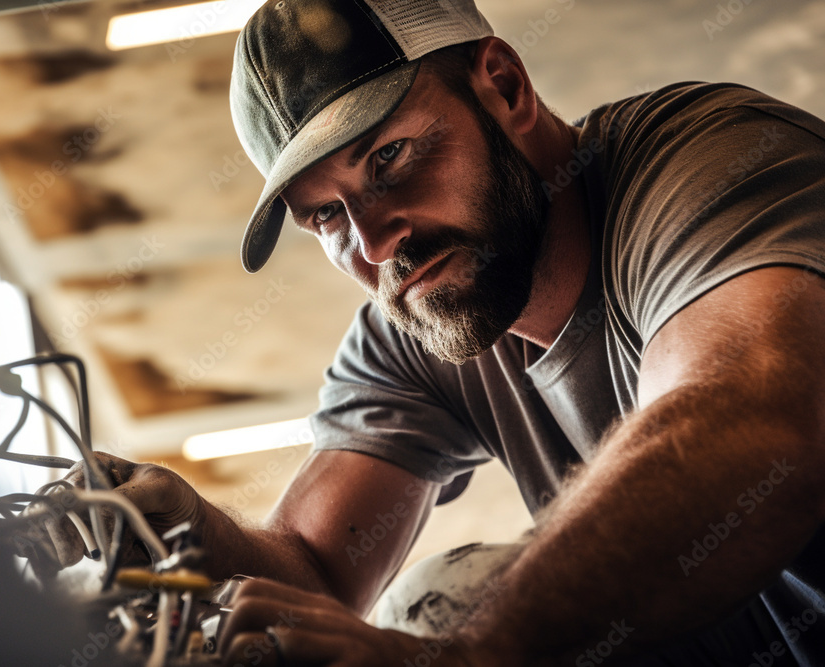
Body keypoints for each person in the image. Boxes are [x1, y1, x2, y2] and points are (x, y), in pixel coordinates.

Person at [47, 1, 825, 664]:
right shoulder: (421, 316)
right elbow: (315, 573)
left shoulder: (704, 163)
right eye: (327, 215)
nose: (377, 241)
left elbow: (759, 424)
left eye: (388, 158)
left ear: (505, 87)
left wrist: (471, 653)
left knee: (443, 603)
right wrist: (193, 528)